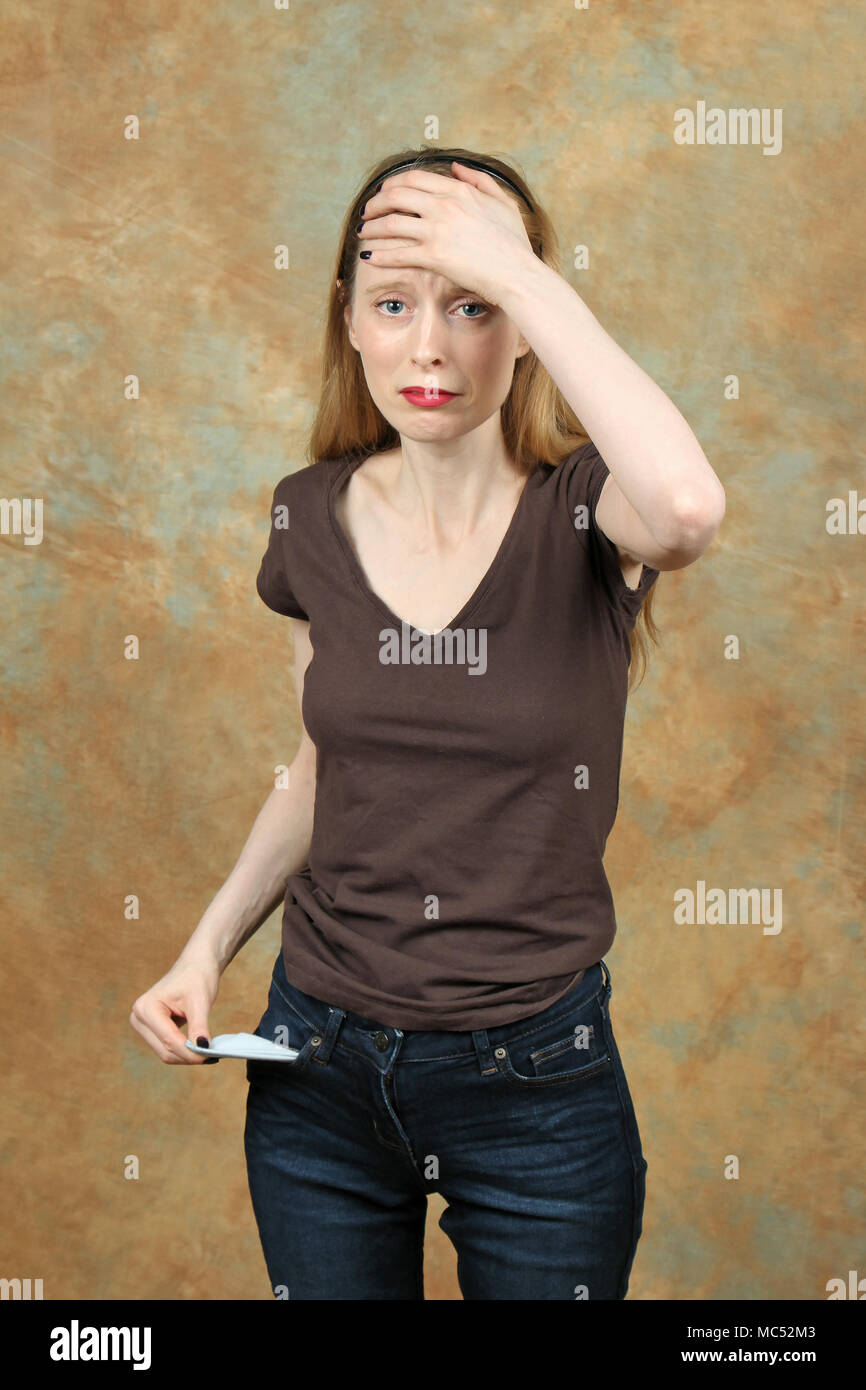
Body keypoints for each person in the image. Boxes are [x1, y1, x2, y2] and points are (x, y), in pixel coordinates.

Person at [130, 145, 725, 1300]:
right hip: (315, 1072)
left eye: (473, 303)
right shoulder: (306, 514)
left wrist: (516, 267)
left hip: (534, 1086)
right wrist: (202, 950)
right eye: (393, 301)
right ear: (347, 320)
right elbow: (320, 764)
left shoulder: (591, 510)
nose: (430, 346)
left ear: (522, 322)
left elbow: (690, 511)